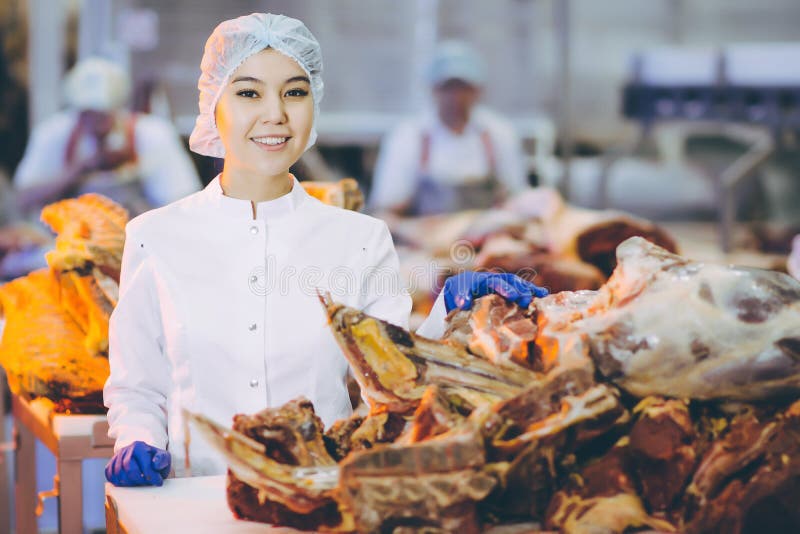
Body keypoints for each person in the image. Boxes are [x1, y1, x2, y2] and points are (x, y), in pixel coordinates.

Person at [103, 13, 547, 487]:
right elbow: (137, 385)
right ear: (214, 105)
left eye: (294, 92)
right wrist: (137, 436)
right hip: (192, 501)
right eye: (249, 92)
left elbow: (394, 378)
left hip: (322, 499)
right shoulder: (156, 236)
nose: (275, 113)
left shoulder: (360, 239)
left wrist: (448, 312)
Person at [13, 57, 201, 217]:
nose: (96, 124)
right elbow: (23, 200)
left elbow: (183, 205)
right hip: (64, 242)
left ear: (118, 109)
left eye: (103, 116)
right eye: (88, 115)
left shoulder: (152, 134)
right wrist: (77, 171)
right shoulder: (53, 133)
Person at [369, 40, 529, 216]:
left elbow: (517, 199)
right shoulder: (408, 136)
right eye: (448, 88)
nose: (456, 97)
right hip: (425, 237)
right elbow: (386, 205)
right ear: (434, 90)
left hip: (487, 235)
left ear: (478, 91)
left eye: (464, 88)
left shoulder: (499, 133)